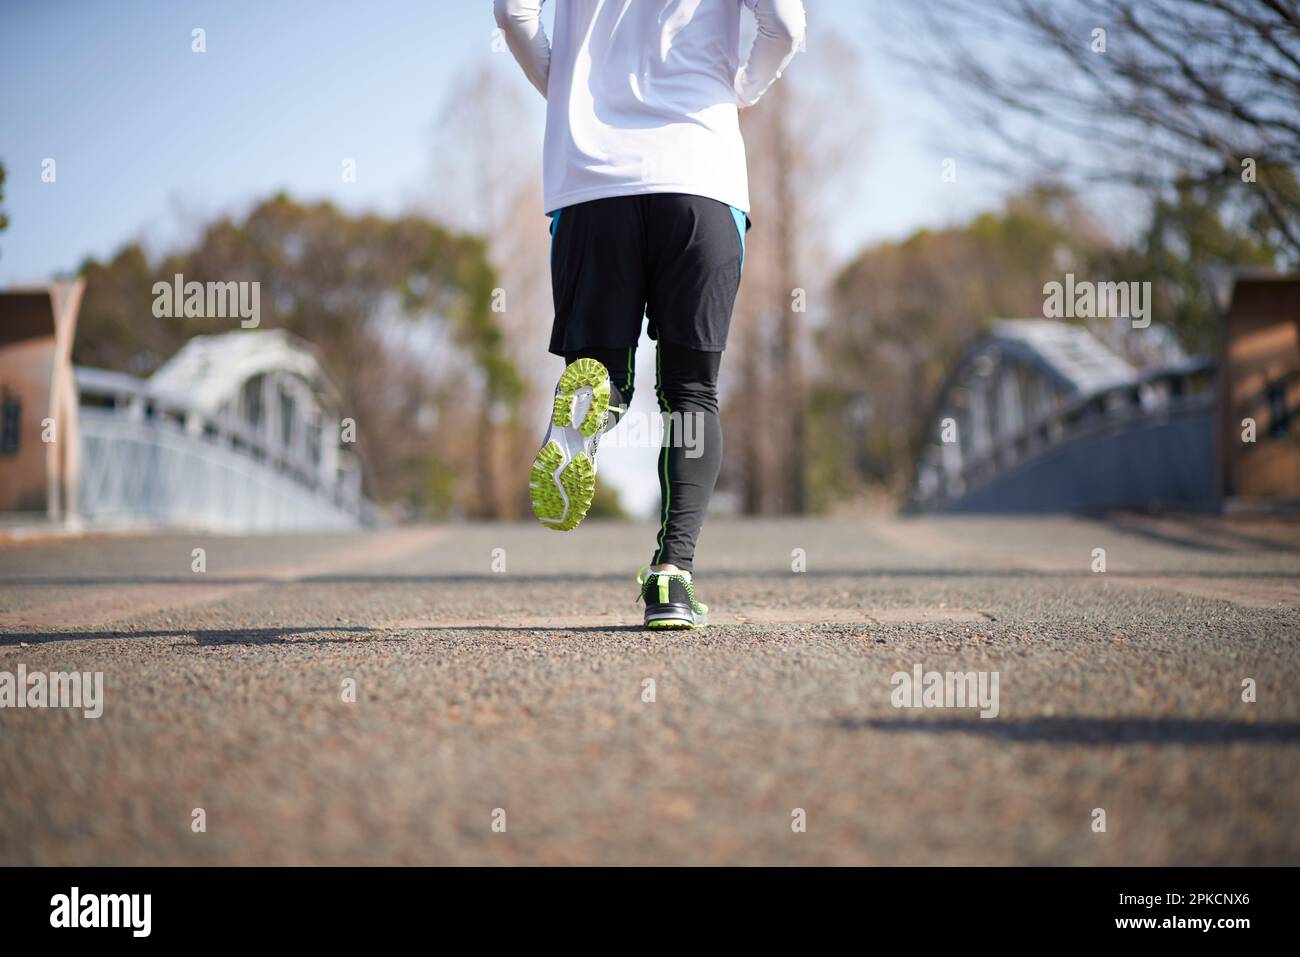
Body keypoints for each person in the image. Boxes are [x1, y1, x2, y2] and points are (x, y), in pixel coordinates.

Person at [495, 0, 805, 628]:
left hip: (592, 182)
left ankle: (593, 405)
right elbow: (785, 23)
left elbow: (512, 13)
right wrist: (737, 88)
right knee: (692, 390)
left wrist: (565, 90)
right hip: (700, 175)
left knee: (601, 364)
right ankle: (672, 579)